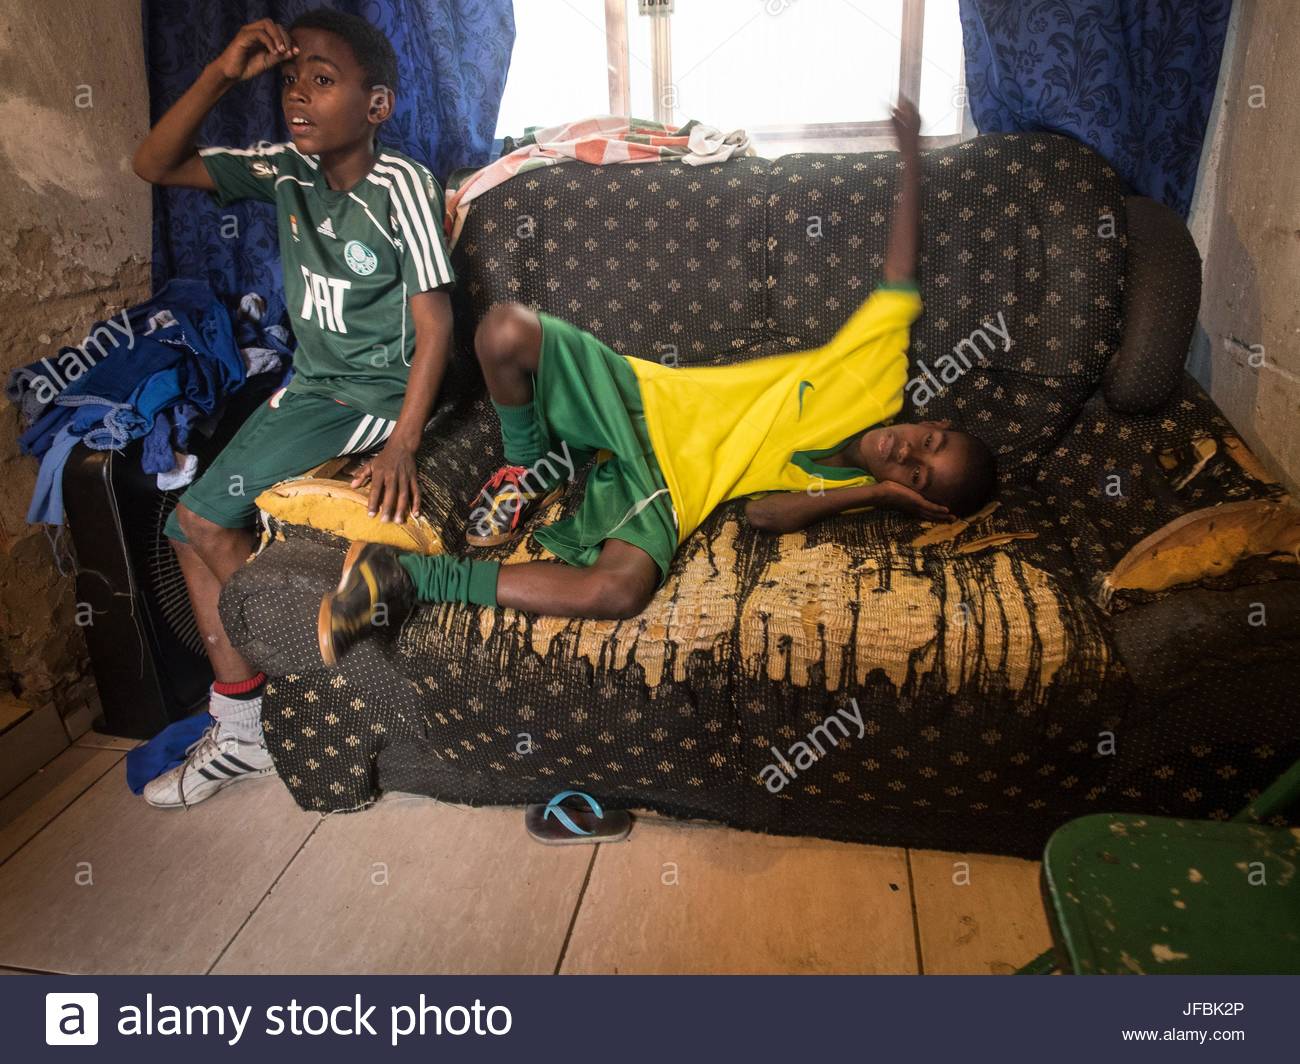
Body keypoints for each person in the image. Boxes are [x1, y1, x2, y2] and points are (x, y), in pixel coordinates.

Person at [316, 98, 996, 663]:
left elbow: (762, 515)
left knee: (616, 593)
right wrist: (912, 155)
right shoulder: (875, 377)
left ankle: (405, 577)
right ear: (930, 424)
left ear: (913, 500)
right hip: (639, 396)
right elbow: (900, 274)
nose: (907, 456)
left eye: (918, 479)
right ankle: (528, 465)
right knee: (502, 329)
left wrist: (874, 493)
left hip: (666, 486)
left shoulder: (847, 487)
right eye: (927, 446)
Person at [132, 10, 455, 807]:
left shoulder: (401, 185)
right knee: (183, 527)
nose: (298, 98)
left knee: (204, 521)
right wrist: (220, 73)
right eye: (288, 81)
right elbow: (152, 163)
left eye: (323, 80)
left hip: (370, 396)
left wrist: (404, 443)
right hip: (310, 385)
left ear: (375, 105)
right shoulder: (285, 169)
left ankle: (313, 695)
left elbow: (436, 319)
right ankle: (245, 718)